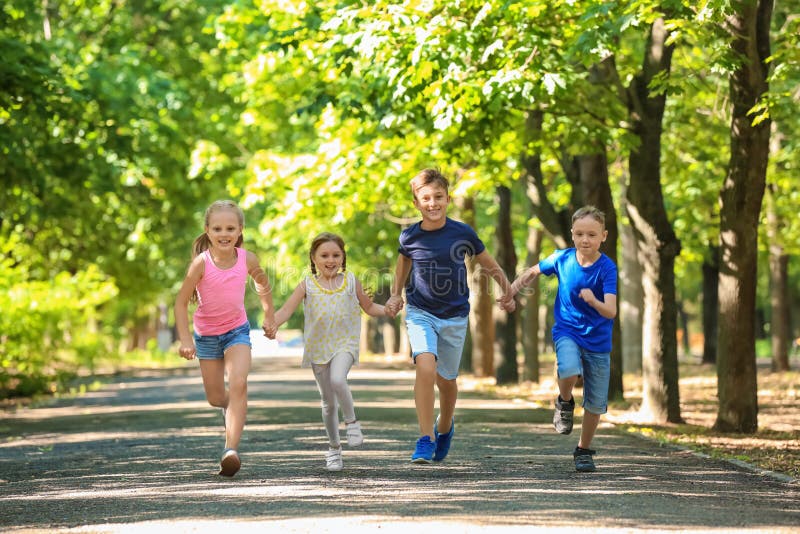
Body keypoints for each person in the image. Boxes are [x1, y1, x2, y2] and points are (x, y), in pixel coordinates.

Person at [385, 168, 515, 464]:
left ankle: (444, 426)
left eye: (439, 197)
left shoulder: (462, 232)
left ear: (448, 198)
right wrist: (396, 295)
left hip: (455, 315)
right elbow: (402, 266)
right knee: (425, 367)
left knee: (447, 381)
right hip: (420, 312)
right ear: (416, 204)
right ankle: (424, 437)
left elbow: (488, 263)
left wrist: (507, 291)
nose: (433, 203)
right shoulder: (409, 236)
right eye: (426, 198)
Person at [503, 205, 617, 473]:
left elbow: (611, 310)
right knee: (568, 369)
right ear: (572, 234)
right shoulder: (562, 259)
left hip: (598, 341)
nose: (585, 239)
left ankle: (584, 449)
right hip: (567, 330)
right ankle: (564, 401)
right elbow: (532, 271)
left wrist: (593, 300)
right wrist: (511, 292)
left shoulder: (607, 268)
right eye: (579, 234)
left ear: (604, 236)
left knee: (595, 404)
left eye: (591, 234)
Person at [265, 232, 387, 472]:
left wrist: (389, 309)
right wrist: (272, 324)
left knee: (338, 379)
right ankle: (334, 448)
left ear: (343, 257)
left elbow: (370, 307)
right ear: (314, 258)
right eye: (324, 255)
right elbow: (286, 311)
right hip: (319, 348)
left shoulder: (351, 281)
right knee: (328, 404)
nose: (330, 260)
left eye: (336, 255)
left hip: (345, 343)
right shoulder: (307, 285)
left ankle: (352, 422)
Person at [174, 199, 276, 477]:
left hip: (236, 331)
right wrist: (185, 340)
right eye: (217, 228)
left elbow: (262, 284)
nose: (224, 233)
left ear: (240, 230)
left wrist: (269, 315)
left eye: (231, 228)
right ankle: (234, 407)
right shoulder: (201, 263)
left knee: (239, 382)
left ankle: (230, 450)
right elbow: (181, 302)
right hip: (206, 337)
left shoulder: (247, 258)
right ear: (207, 230)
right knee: (217, 397)